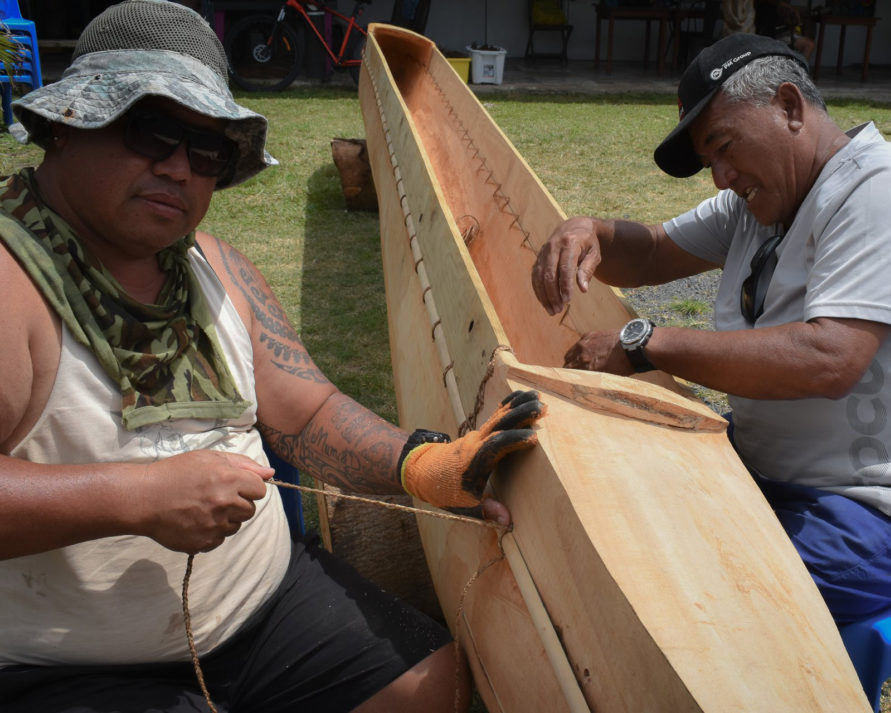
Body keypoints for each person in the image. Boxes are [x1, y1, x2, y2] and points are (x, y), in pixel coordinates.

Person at [0, 1, 545, 711]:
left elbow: (307, 411)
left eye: (208, 151)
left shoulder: (217, 268)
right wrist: (137, 498)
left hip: (262, 609)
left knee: (426, 683)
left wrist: (422, 464)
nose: (177, 167)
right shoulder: (14, 282)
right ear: (68, 124)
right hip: (63, 664)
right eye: (152, 128)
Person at [531, 33, 891, 625]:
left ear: (789, 107)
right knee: (612, 515)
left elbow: (829, 359)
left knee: (669, 596)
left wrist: (643, 344)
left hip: (876, 514)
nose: (719, 176)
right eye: (709, 160)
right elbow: (653, 252)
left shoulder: (884, 188)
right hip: (769, 476)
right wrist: (587, 231)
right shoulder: (758, 203)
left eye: (723, 146)